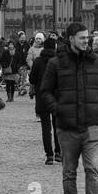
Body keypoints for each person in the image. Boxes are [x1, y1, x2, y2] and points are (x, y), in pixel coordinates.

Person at [38, 21, 98, 194]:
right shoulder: (56, 63)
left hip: (91, 126)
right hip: (67, 127)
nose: (85, 41)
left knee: (92, 171)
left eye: (87, 37)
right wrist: (58, 109)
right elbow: (45, 91)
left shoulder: (96, 61)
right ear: (71, 39)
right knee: (69, 172)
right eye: (81, 38)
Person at [30, 35, 60, 163]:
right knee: (58, 126)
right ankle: (59, 153)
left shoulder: (38, 61)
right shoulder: (59, 61)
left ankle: (49, 155)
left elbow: (32, 79)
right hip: (57, 98)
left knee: (46, 128)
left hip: (42, 98)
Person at [0, 38, 20, 102]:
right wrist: (5, 66)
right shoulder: (5, 52)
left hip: (14, 70)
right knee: (8, 84)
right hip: (7, 71)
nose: (11, 45)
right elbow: (2, 60)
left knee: (13, 84)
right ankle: (9, 97)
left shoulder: (17, 52)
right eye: (10, 44)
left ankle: (12, 97)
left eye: (12, 44)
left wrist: (17, 66)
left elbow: (19, 61)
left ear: (14, 45)